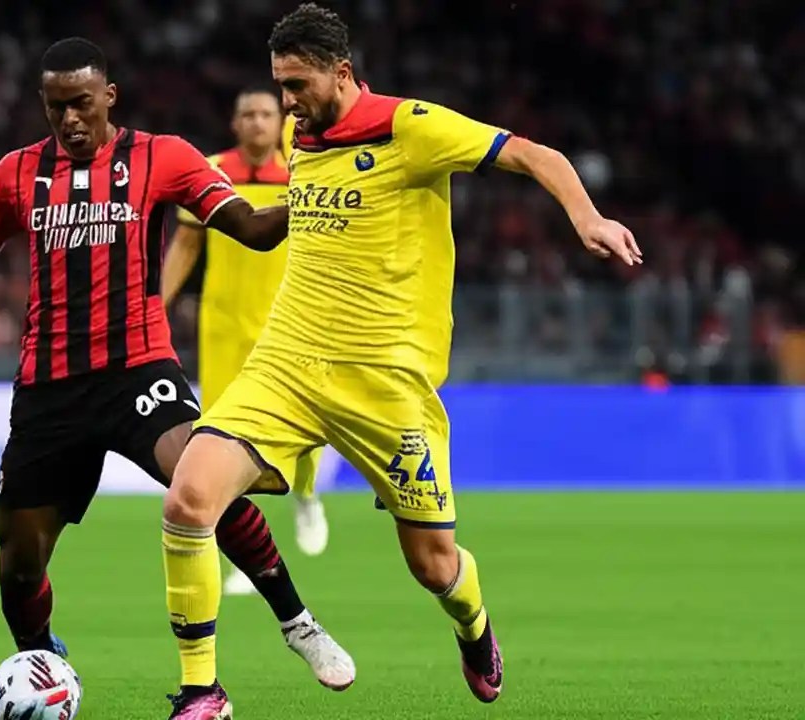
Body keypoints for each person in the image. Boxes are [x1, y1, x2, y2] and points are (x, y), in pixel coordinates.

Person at [0, 37, 355, 699]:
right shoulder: (16, 173)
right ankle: (43, 668)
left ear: (109, 98)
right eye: (56, 107)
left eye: (82, 105)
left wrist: (320, 198)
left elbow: (252, 228)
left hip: (137, 370)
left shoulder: (164, 157)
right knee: (18, 563)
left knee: (203, 481)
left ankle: (297, 621)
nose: (69, 120)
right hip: (49, 389)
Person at [158, 5, 643, 718]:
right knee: (189, 498)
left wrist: (587, 217)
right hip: (287, 363)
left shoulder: (410, 127)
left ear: (342, 73)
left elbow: (536, 155)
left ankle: (474, 628)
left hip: (385, 384)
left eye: (297, 85)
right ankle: (202, 692)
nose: (287, 104)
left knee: (434, 566)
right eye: (279, 86)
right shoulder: (302, 134)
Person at [161, 89, 328, 600]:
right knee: (219, 442)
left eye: (266, 114)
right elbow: (186, 245)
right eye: (248, 114)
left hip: (289, 321)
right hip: (224, 325)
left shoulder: (303, 173)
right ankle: (238, 559)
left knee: (308, 423)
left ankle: (305, 494)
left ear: (280, 122)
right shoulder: (211, 171)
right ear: (234, 125)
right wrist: (155, 307)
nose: (257, 122)